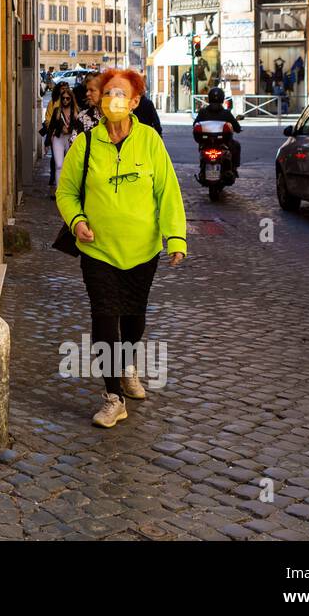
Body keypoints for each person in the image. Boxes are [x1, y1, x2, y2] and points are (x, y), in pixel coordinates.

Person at [55, 67, 187, 428]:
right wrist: (77, 220)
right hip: (97, 249)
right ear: (99, 100)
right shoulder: (84, 143)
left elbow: (167, 193)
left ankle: (127, 364)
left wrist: (175, 237)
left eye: (121, 94)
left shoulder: (150, 142)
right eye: (108, 92)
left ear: (134, 102)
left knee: (133, 318)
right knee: (104, 318)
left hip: (142, 251)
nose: (114, 99)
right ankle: (113, 396)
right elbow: (65, 191)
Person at [45, 83, 84, 197]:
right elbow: (51, 126)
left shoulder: (77, 111)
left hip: (71, 139)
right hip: (58, 138)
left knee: (70, 165)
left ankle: (70, 189)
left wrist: (70, 128)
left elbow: (80, 128)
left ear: (71, 99)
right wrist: (47, 142)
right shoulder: (57, 111)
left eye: (68, 98)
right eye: (63, 98)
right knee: (59, 165)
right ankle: (59, 190)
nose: (65, 100)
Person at [194, 87, 241, 173]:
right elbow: (237, 127)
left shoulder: (203, 112)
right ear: (222, 98)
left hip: (206, 143)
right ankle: (234, 168)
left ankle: (202, 167)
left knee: (201, 149)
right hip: (222, 144)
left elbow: (195, 125)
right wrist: (238, 129)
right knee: (237, 145)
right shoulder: (226, 113)